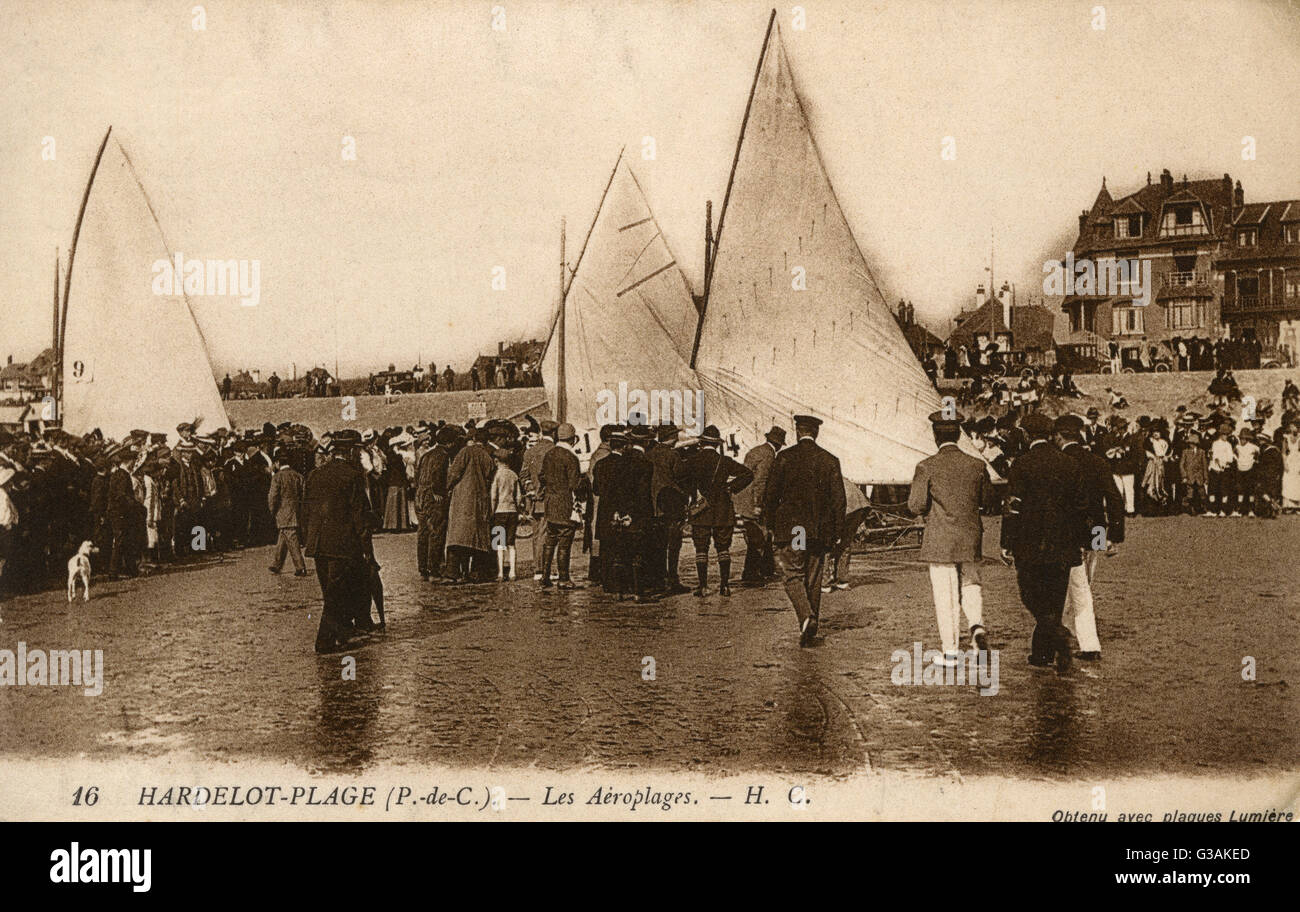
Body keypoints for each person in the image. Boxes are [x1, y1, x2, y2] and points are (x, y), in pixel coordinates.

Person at [999, 412, 1086, 673]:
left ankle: (1055, 638)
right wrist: (1082, 542)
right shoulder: (1069, 464)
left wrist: (1006, 542)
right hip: (1063, 543)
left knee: (1031, 596)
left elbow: (1012, 508)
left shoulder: (1021, 465)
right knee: (1055, 598)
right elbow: (1081, 507)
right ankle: (1044, 652)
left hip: (1029, 543)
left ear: (1026, 435)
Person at [907, 409, 993, 665]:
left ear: (935, 436)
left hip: (940, 539)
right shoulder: (977, 465)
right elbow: (989, 501)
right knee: (971, 584)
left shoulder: (926, 466)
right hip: (970, 536)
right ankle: (977, 627)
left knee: (945, 594)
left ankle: (951, 651)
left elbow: (916, 505)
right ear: (959, 434)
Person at [764, 414, 845, 647]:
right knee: (813, 576)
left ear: (798, 432)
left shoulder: (784, 458)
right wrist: (837, 531)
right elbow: (838, 500)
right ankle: (811, 622)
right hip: (818, 531)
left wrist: (769, 523)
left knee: (791, 573)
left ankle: (805, 616)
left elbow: (771, 494)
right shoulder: (830, 460)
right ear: (816, 433)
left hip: (793, 530)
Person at [1056, 414, 1124, 661]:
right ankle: (1076, 626)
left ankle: (1069, 625)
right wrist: (1114, 535)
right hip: (1097, 529)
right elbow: (1114, 498)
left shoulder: (1059, 461)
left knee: (1070, 580)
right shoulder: (1098, 461)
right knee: (1087, 577)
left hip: (1068, 530)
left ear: (1059, 436)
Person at [302, 429, 371, 653]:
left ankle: (341, 632)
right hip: (342, 544)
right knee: (336, 593)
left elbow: (305, 510)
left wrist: (308, 537)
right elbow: (360, 517)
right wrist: (366, 549)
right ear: (351, 451)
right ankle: (324, 641)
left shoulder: (315, 474)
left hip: (318, 543)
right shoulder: (352, 476)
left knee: (330, 590)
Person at [682, 425, 753, 597]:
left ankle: (704, 586)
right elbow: (748, 474)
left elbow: (681, 479)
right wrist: (730, 488)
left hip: (701, 509)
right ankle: (724, 586)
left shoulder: (692, 460)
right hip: (723, 509)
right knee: (723, 548)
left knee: (701, 549)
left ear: (702, 442)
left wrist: (692, 493)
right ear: (716, 444)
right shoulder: (725, 461)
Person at [735, 426, 784, 584]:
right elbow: (761, 481)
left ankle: (764, 569)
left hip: (743, 498)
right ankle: (751, 573)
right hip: (753, 501)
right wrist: (758, 504)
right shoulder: (769, 455)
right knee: (758, 537)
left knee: (756, 536)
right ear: (779, 444)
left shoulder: (756, 450)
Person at [445, 427, 494, 582]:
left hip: (462, 500)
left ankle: (453, 572)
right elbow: (489, 477)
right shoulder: (487, 456)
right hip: (480, 501)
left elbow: (454, 473)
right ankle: (476, 572)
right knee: (477, 537)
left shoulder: (465, 452)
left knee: (458, 536)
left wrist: (447, 487)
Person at [537, 422, 583, 589]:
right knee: (564, 540)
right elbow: (575, 484)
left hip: (550, 502)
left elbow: (541, 476)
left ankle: (545, 575)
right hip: (565, 503)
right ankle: (563, 578)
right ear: (573, 439)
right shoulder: (570, 457)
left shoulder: (549, 454)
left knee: (550, 540)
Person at [414, 426, 453, 580]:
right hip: (432, 497)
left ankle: (423, 568)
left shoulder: (427, 455)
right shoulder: (442, 455)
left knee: (423, 532)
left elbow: (418, 475)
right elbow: (437, 474)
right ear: (449, 443)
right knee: (437, 531)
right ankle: (434, 569)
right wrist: (438, 491)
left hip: (421, 495)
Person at [522, 421, 556, 580]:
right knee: (548, 535)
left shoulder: (530, 452)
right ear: (554, 433)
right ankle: (543, 569)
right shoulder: (554, 451)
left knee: (537, 535)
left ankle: (538, 568)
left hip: (534, 501)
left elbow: (524, 475)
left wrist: (530, 490)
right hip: (549, 498)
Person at [267, 448, 307, 576]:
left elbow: (272, 496)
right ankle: (276, 564)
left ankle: (300, 566)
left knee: (290, 537)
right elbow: (304, 494)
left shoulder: (277, 477)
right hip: (296, 510)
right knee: (284, 536)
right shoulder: (298, 475)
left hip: (283, 511)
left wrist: (272, 510)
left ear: (277, 462)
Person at [489, 444, 523, 580]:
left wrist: (491, 511)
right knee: (511, 543)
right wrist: (519, 508)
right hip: (512, 511)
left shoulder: (497, 476)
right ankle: (513, 572)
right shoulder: (514, 475)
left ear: (496, 461)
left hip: (499, 512)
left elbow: (493, 496)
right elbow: (519, 496)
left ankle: (501, 573)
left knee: (499, 544)